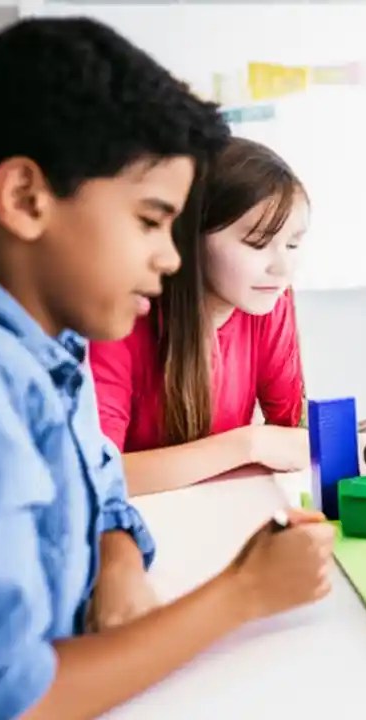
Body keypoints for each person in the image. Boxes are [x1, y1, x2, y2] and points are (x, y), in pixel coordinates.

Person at [0, 18, 333, 719]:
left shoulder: (52, 343)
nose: (171, 259)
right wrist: (244, 593)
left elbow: (104, 487)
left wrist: (116, 557)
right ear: (26, 199)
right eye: (151, 222)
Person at [90, 137, 310, 495]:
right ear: (191, 237)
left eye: (293, 244)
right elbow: (99, 474)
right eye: (257, 242)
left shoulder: (269, 300)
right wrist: (247, 445)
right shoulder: (121, 318)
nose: (282, 266)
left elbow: (292, 436)